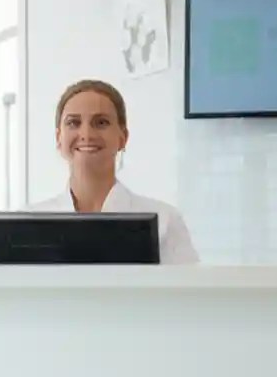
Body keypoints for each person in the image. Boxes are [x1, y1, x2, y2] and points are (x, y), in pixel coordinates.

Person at [25, 79, 199, 264]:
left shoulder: (165, 221)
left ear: (123, 137)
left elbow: (188, 291)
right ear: (59, 138)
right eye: (73, 123)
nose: (86, 134)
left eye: (101, 122)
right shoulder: (28, 223)